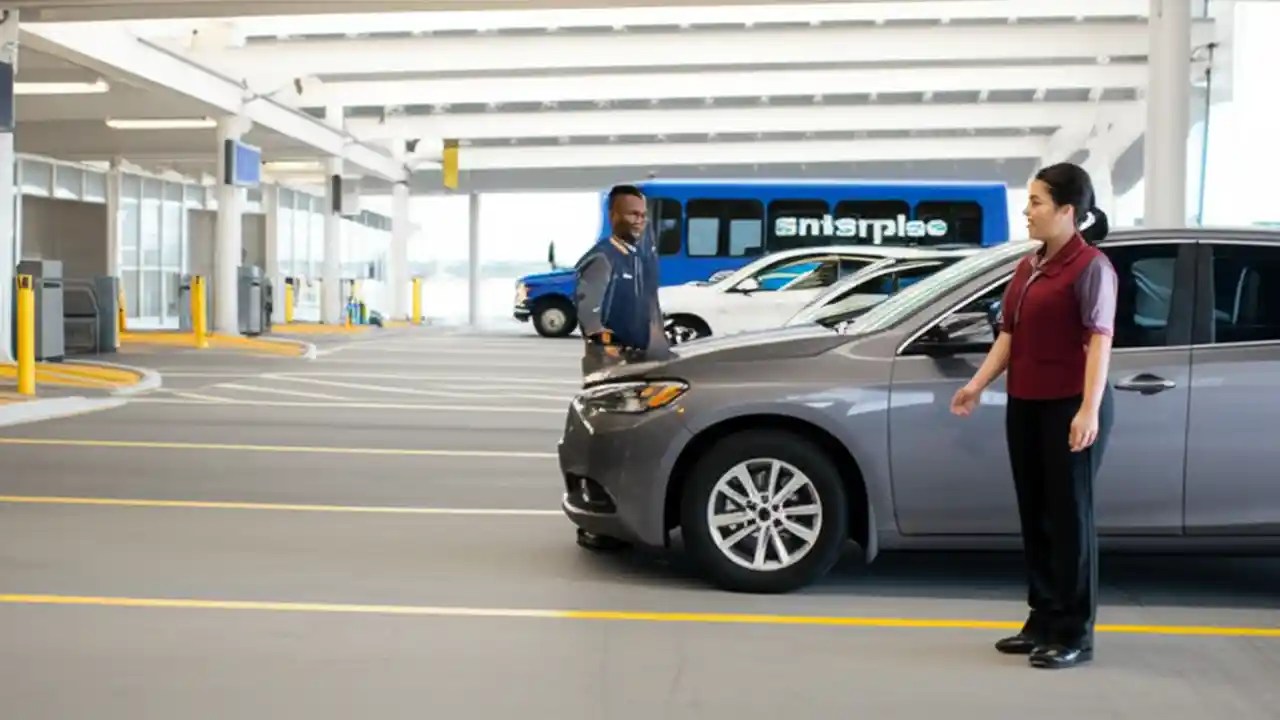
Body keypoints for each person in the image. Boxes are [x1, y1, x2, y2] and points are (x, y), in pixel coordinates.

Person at [950, 162, 1118, 670]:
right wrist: (977, 385)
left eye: (1036, 202)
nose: (1027, 211)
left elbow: (1099, 342)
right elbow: (1010, 333)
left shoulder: (1091, 268)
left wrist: (1088, 409)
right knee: (1036, 513)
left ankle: (1073, 632)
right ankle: (1042, 619)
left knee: (1070, 520)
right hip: (1026, 402)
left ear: (1067, 211)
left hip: (1071, 404)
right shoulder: (1029, 267)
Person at [573, 184, 670, 377]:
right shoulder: (602, 257)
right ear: (613, 216)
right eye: (633, 214)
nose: (639, 221)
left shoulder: (639, 258)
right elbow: (589, 311)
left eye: (643, 215)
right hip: (611, 361)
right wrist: (608, 349)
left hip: (640, 358)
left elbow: (650, 307)